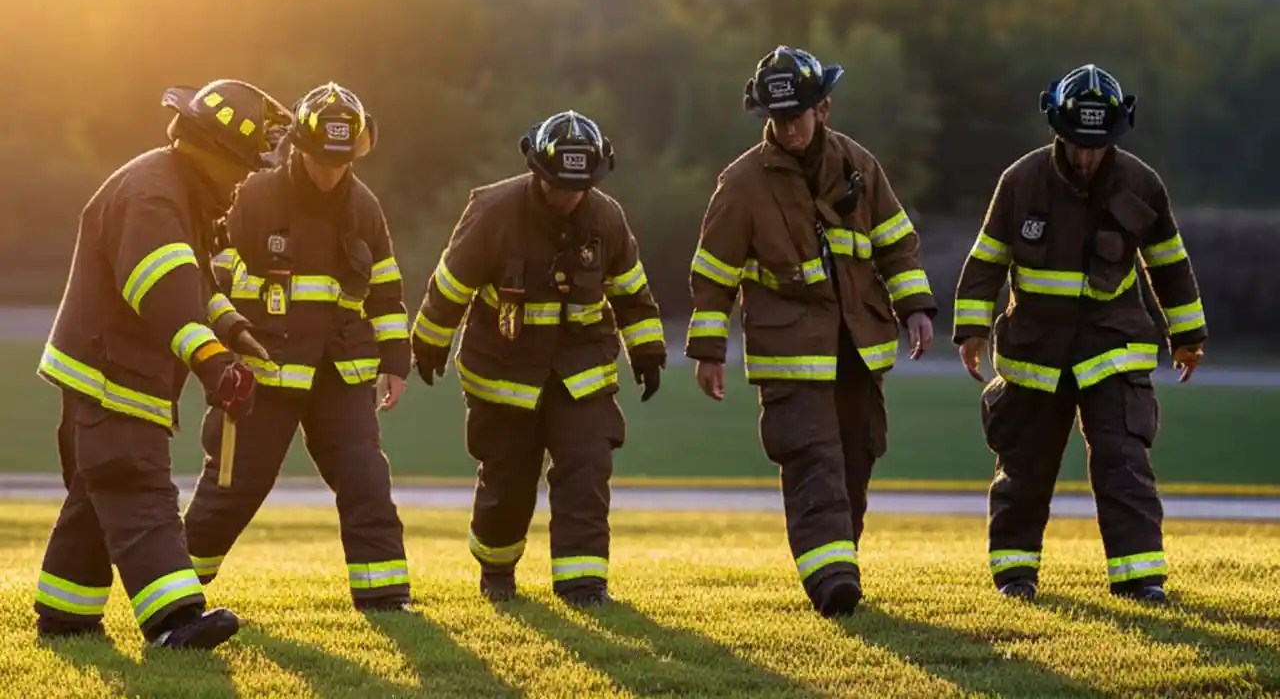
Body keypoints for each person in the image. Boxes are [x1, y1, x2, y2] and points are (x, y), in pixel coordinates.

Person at [34, 79, 290, 648]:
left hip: (110, 374)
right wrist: (214, 363)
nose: (245, 179)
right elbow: (164, 289)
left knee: (96, 496)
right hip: (112, 379)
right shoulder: (154, 197)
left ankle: (64, 613)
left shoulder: (176, 188)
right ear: (214, 151)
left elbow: (196, 279)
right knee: (135, 487)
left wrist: (233, 328)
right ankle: (175, 621)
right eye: (243, 165)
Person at [685, 46, 937, 616]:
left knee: (856, 456)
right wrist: (708, 349)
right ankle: (832, 584)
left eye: (796, 114)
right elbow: (713, 274)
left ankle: (837, 561)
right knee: (812, 459)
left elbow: (897, 243)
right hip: (789, 354)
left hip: (857, 348)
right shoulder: (743, 183)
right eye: (777, 118)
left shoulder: (859, 166)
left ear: (822, 107)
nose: (788, 127)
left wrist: (915, 306)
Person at [953, 64, 1207, 603]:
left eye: (1097, 144)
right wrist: (971, 329)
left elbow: (1170, 266)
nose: (1086, 156)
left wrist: (1187, 334)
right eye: (1075, 143)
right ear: (1057, 130)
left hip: (1113, 349)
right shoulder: (1020, 182)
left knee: (1124, 465)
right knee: (1024, 469)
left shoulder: (1142, 185)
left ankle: (1140, 579)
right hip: (1034, 354)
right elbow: (986, 262)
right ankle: (1014, 578)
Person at [412, 110, 665, 606]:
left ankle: (583, 585)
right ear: (537, 171)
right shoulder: (492, 213)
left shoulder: (606, 217)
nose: (567, 197)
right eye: (557, 184)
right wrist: (429, 342)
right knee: (507, 481)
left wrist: (649, 350)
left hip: (581, 371)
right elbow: (450, 285)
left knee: (587, 466)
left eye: (579, 187)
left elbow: (632, 293)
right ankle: (498, 571)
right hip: (505, 374)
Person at [182, 82, 414, 612]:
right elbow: (209, 277)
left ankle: (385, 596)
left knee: (365, 480)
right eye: (322, 159)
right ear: (301, 146)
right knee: (232, 490)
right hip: (263, 375)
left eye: (343, 161)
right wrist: (221, 352)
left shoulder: (364, 206)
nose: (332, 172)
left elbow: (386, 290)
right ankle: (173, 595)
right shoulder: (254, 195)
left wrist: (395, 364)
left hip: (340, 374)